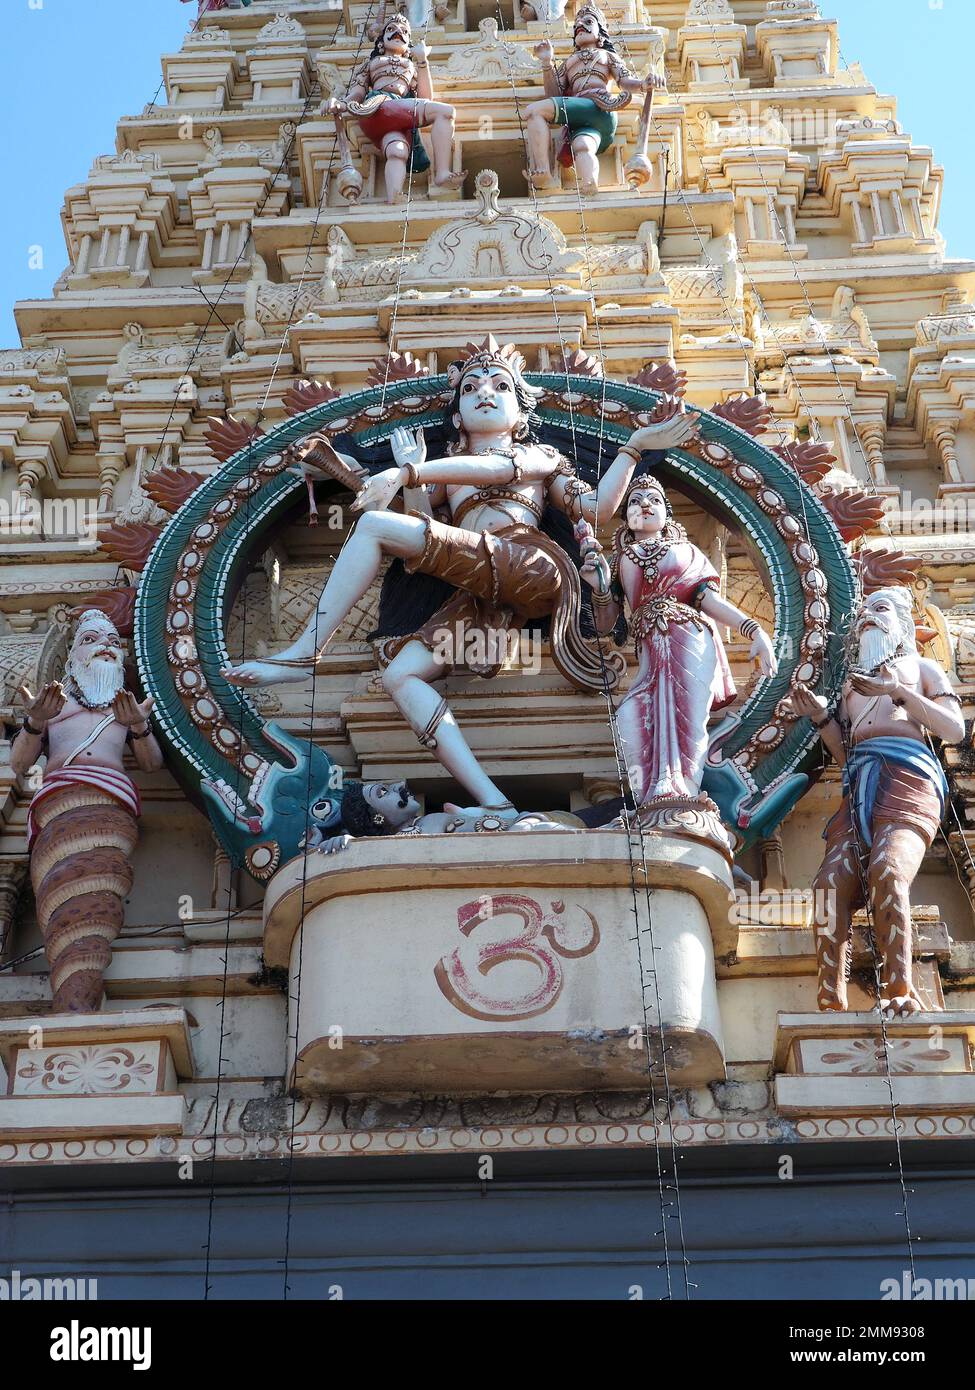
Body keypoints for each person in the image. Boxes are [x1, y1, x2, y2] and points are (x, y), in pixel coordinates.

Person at [222, 336, 699, 818]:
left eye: (500, 386)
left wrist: (633, 449)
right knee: (400, 676)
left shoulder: (540, 459)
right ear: (457, 415)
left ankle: (305, 652)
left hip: (531, 565)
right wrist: (397, 480)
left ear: (520, 412)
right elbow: (420, 540)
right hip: (482, 588)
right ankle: (496, 802)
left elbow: (591, 506)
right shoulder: (443, 474)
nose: (484, 393)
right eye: (470, 388)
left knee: (373, 525)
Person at [787, 587, 965, 1017]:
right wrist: (820, 717)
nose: (868, 617)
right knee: (828, 886)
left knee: (887, 868)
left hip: (908, 777)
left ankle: (898, 990)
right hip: (859, 783)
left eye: (880, 609)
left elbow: (955, 730)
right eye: (863, 613)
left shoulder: (920, 667)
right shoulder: (852, 685)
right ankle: (830, 1000)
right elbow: (844, 753)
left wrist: (899, 692)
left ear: (902, 623)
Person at [578, 474, 777, 811]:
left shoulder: (685, 550)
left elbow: (707, 600)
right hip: (649, 647)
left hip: (688, 635)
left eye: (654, 499)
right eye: (635, 500)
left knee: (686, 714)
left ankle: (682, 791)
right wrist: (598, 587)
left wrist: (754, 630)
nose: (644, 504)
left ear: (667, 514)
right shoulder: (619, 560)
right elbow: (606, 626)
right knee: (633, 714)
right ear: (624, 516)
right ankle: (650, 798)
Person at [11, 611, 163, 1012]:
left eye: (114, 642)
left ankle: (78, 1002)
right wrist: (35, 722)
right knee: (68, 887)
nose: (106, 647)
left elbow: (151, 764)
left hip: (111, 803)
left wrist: (139, 728)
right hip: (60, 802)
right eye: (93, 639)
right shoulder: (57, 707)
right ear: (74, 655)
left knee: (98, 884)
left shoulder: (126, 709)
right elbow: (19, 764)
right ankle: (72, 1006)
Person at [525, 3, 665, 195]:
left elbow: (624, 81)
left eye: (588, 21)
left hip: (598, 106)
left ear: (600, 34)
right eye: (576, 26)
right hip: (586, 117)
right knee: (581, 145)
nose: (580, 25)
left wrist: (643, 84)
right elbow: (554, 96)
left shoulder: (607, 55)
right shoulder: (568, 63)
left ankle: (543, 171)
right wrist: (547, 63)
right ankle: (590, 184)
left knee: (533, 111)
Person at [328, 15, 464, 204]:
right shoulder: (371, 64)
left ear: (409, 43)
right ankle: (441, 173)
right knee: (445, 112)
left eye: (405, 32)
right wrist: (341, 104)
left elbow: (425, 98)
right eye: (391, 29)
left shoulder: (412, 67)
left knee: (397, 151)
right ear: (381, 41)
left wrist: (422, 60)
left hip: (396, 116)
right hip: (377, 107)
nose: (399, 33)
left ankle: (394, 197)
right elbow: (358, 92)